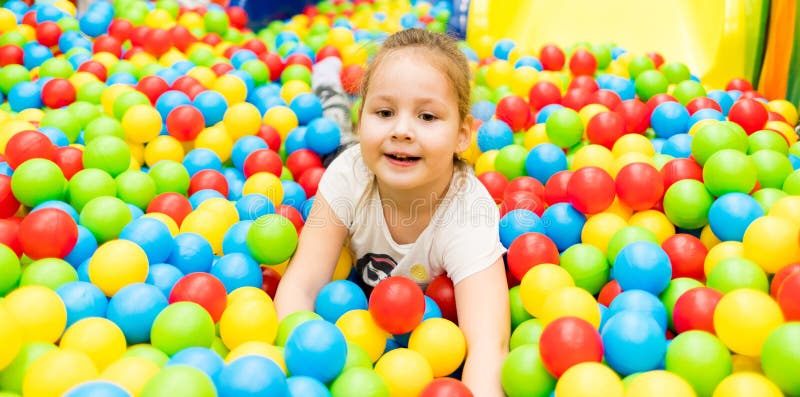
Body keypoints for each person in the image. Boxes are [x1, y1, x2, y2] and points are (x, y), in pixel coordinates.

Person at [274, 28, 509, 396]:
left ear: (462, 135)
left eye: (427, 117)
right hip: (354, 156)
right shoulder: (349, 174)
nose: (401, 130)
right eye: (384, 112)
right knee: (331, 127)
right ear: (363, 117)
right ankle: (326, 80)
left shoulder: (468, 214)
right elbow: (301, 286)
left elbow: (488, 346)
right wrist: (294, 372)